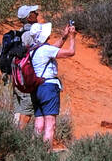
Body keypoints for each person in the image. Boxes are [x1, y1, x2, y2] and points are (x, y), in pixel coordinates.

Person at [27, 19, 77, 147]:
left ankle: (33, 151)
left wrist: (64, 37)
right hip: (48, 88)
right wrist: (72, 37)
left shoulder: (33, 50)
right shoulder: (45, 50)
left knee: (39, 121)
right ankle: (45, 154)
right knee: (50, 123)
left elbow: (53, 48)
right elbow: (71, 52)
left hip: (36, 88)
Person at [0, 3, 41, 128]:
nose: (37, 14)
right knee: (27, 111)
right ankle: (18, 139)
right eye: (34, 13)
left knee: (18, 111)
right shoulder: (30, 35)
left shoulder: (18, 34)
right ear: (29, 17)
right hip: (25, 80)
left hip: (16, 78)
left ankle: (13, 135)